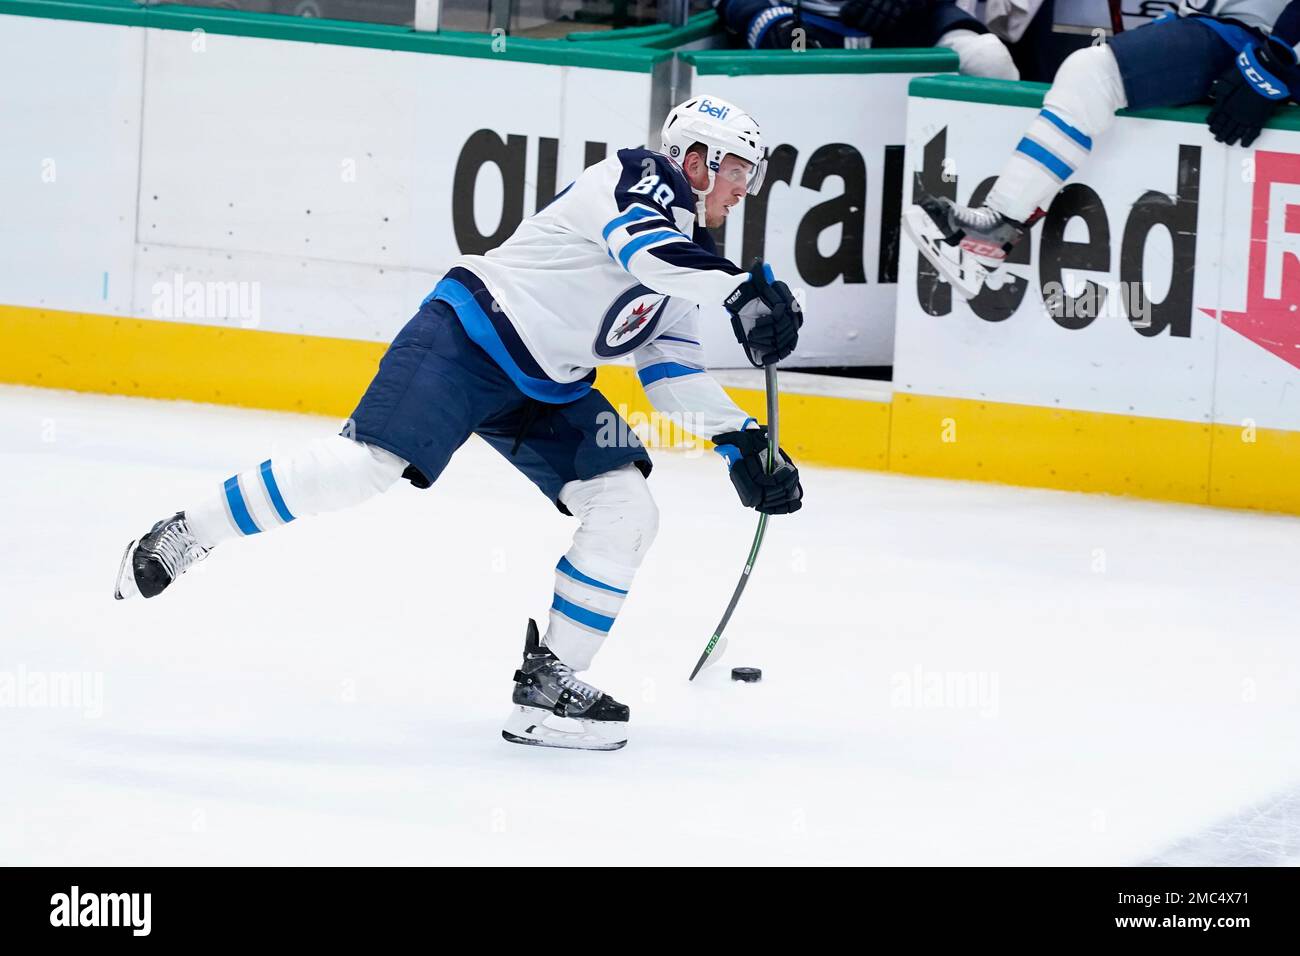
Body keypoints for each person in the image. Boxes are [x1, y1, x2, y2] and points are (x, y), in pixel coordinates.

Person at [112, 94, 805, 752]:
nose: (745, 187)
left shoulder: (692, 267)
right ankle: (185, 533)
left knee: (626, 505)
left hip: (548, 387)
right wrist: (739, 289)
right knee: (364, 468)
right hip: (470, 335)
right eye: (738, 168)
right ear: (696, 160)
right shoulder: (636, 177)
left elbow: (670, 371)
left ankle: (547, 687)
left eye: (752, 172)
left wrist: (741, 439)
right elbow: (642, 252)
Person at [903, 0, 1300, 298]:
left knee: (1092, 75)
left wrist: (1277, 58)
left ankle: (990, 235)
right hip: (1221, 25)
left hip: (1249, 36)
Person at [713, 0, 1020, 79]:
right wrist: (771, 23)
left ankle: (998, 209)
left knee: (988, 61)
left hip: (908, 26)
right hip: (806, 24)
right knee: (796, 64)